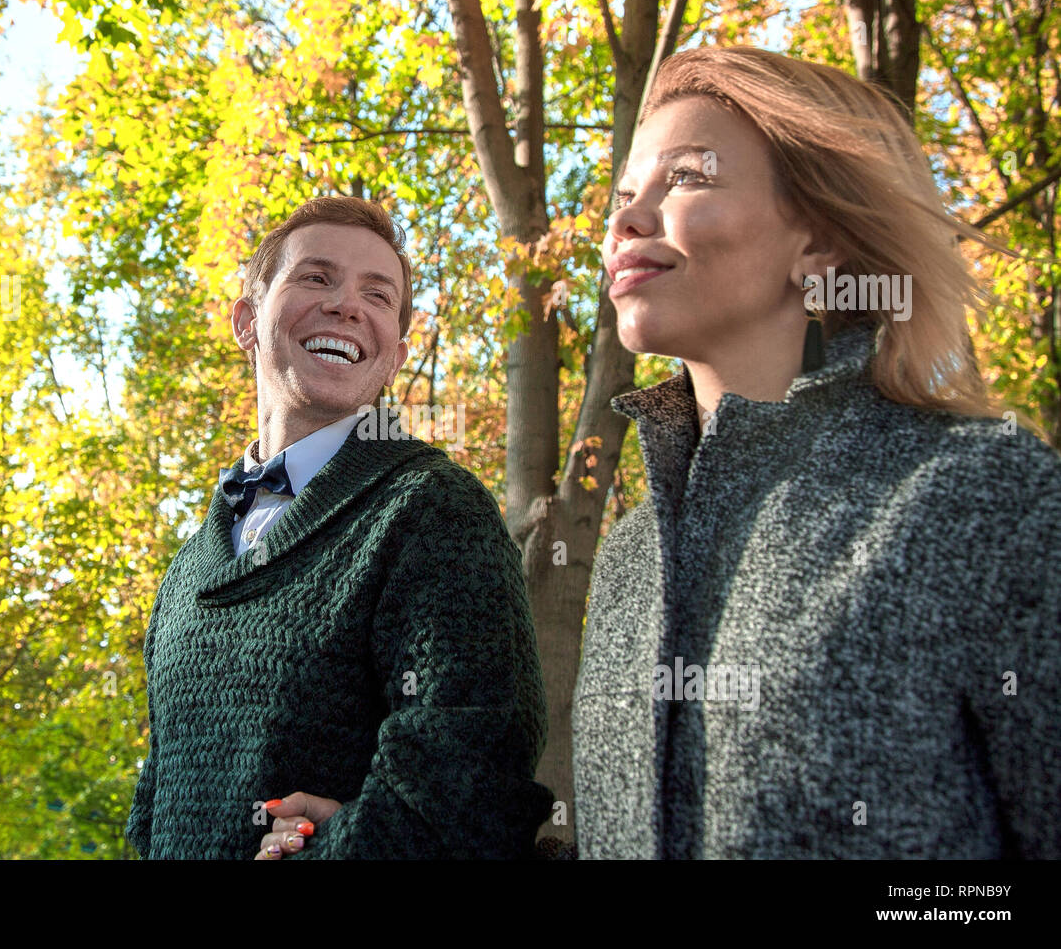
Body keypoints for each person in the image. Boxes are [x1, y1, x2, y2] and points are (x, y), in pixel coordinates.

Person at [574, 46, 1061, 858]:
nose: (625, 217)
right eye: (625, 193)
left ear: (821, 243)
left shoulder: (982, 493)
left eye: (687, 177)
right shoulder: (629, 558)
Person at [125, 196, 553, 859]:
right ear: (247, 321)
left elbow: (474, 775)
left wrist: (338, 850)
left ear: (398, 353)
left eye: (377, 295)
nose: (347, 305)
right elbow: (155, 798)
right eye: (316, 278)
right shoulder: (188, 570)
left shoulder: (430, 510)